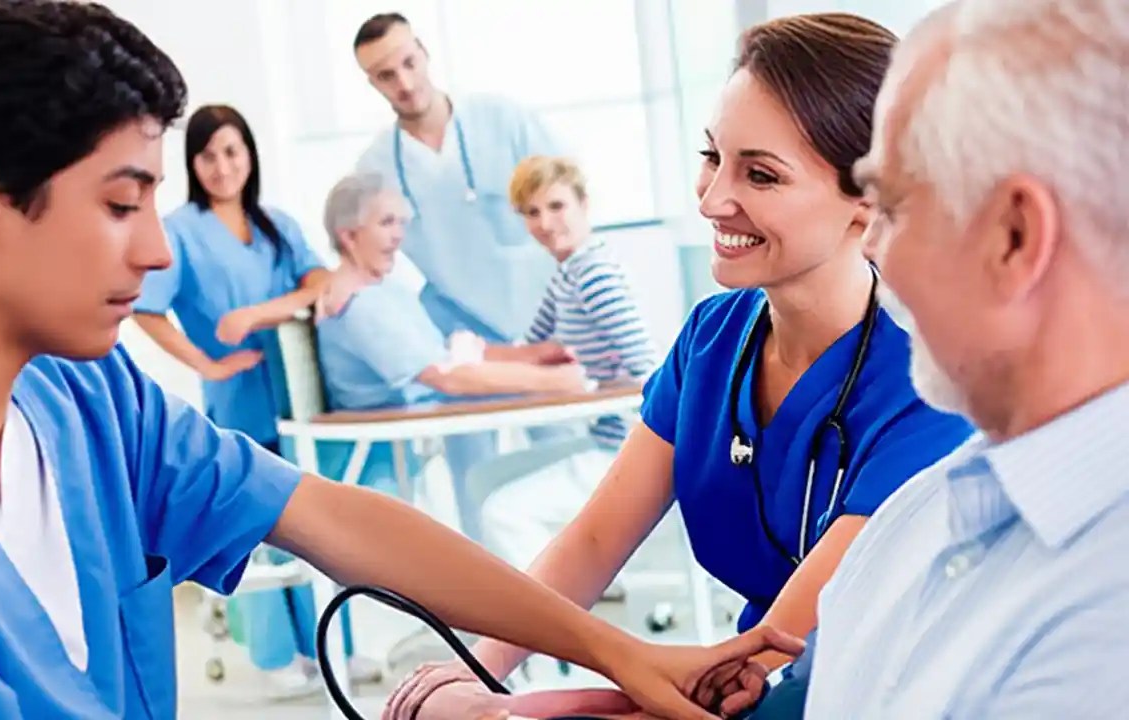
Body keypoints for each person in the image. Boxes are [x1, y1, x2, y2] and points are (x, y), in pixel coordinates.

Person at [0, 2, 806, 719]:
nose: (156, 254)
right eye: (120, 204)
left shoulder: (89, 400)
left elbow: (330, 515)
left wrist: (608, 654)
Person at [384, 13, 976, 720]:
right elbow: (594, 541)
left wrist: (522, 711)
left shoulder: (928, 381)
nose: (712, 197)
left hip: (883, 692)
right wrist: (471, 668)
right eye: (711, 156)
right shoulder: (712, 340)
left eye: (759, 174)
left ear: (867, 199)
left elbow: (775, 654)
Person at [801, 0, 1129, 716]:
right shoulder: (918, 516)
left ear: (1013, 237)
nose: (869, 244)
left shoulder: (1107, 627)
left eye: (891, 205)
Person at [130, 104, 379, 697]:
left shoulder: (276, 223)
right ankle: (273, 657)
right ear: (192, 163)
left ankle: (328, 649)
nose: (221, 166)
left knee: (316, 527)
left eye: (232, 151)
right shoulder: (182, 229)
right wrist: (208, 362)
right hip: (237, 404)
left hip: (297, 398)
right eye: (208, 154)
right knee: (256, 529)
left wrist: (256, 315)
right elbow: (145, 306)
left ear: (250, 155)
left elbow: (319, 282)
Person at [315, 171, 593, 538]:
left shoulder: (386, 290)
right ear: (349, 236)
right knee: (507, 494)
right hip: (376, 455)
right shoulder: (358, 305)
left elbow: (450, 356)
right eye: (386, 223)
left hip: (426, 411)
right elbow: (446, 375)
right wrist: (554, 382)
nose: (399, 235)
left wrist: (533, 355)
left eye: (401, 222)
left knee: (502, 486)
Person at [479, 155, 659, 571]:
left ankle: (554, 628)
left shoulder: (593, 275)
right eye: (532, 212)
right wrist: (465, 356)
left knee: (502, 512)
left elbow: (649, 371)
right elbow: (533, 347)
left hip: (625, 445)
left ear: (584, 204)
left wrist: (592, 388)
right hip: (606, 437)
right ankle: (574, 587)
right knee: (483, 480)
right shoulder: (569, 273)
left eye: (556, 206)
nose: (545, 223)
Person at [352, 12, 558, 346]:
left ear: (424, 52)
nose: (404, 83)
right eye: (386, 75)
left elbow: (571, 204)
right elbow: (366, 261)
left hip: (550, 315)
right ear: (372, 83)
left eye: (409, 63)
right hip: (463, 338)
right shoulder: (373, 170)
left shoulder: (502, 119)